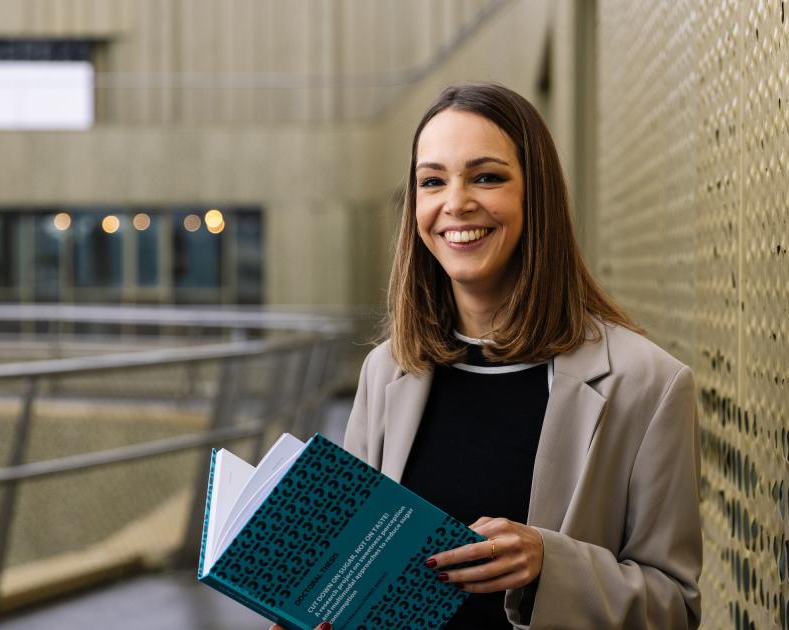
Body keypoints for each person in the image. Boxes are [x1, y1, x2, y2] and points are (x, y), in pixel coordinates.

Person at [274, 82, 701, 630]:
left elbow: (676, 609)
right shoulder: (385, 372)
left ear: (535, 195)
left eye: (486, 177)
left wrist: (550, 564)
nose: (455, 203)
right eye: (432, 182)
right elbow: (356, 580)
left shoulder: (648, 384)